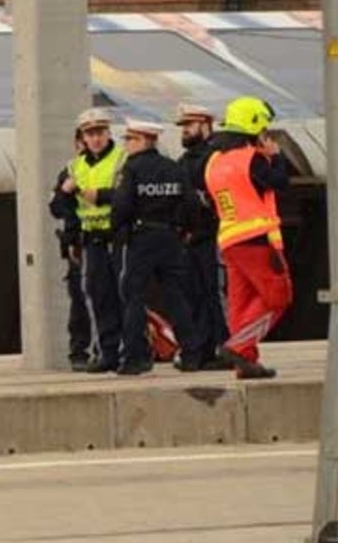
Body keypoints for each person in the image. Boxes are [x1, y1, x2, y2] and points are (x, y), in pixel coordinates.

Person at [203, 96, 291, 379]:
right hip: (256, 239)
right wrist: (275, 155)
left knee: (240, 305)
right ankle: (240, 347)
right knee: (279, 296)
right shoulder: (252, 159)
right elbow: (279, 182)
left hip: (229, 240)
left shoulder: (214, 161)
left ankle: (246, 363)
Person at [109, 120, 206, 375]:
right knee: (175, 296)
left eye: (129, 139)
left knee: (134, 297)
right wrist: (186, 230)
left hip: (141, 239)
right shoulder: (173, 167)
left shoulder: (131, 169)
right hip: (171, 238)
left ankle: (134, 358)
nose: (126, 145)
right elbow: (192, 203)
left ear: (142, 140)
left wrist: (118, 233)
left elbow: (121, 206)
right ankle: (191, 354)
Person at [61, 108, 125, 374]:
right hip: (92, 240)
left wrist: (85, 192)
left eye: (100, 132)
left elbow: (121, 195)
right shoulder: (74, 166)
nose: (96, 138)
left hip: (118, 237)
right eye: (90, 134)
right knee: (98, 297)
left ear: (108, 133)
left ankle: (129, 351)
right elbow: (59, 203)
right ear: (83, 138)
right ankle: (106, 352)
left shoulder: (122, 159)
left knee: (125, 296)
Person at [175, 103, 233, 369]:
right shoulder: (183, 161)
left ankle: (227, 348)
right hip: (190, 239)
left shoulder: (216, 157)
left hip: (213, 236)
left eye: (190, 125)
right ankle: (203, 350)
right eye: (183, 126)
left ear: (206, 125)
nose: (184, 131)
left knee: (215, 295)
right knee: (195, 295)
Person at [48, 130, 93, 371]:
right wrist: (66, 191)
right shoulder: (70, 171)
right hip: (79, 244)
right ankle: (80, 352)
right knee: (79, 300)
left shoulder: (113, 166)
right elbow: (56, 207)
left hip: (103, 241)